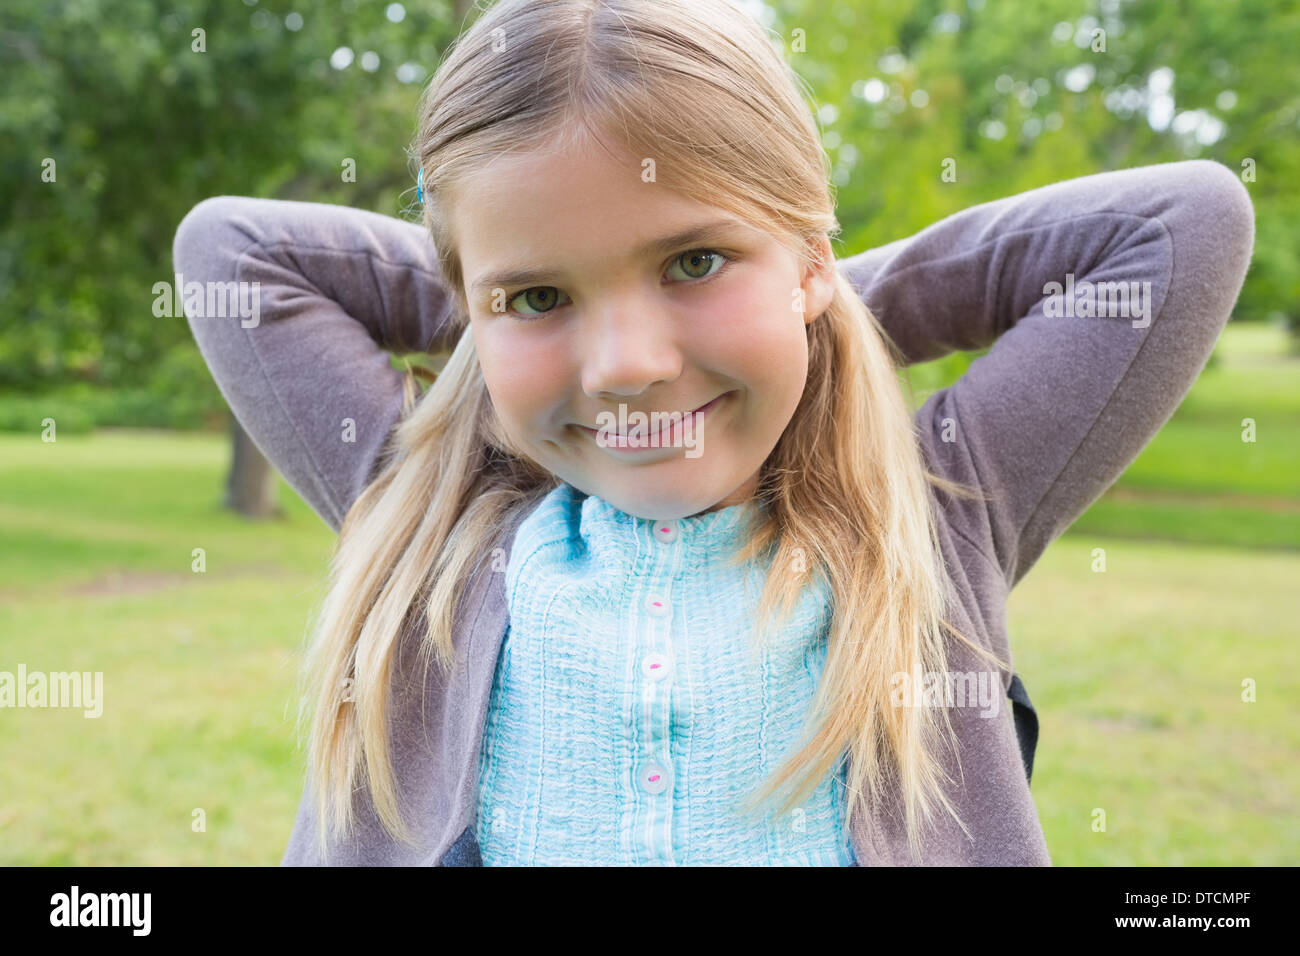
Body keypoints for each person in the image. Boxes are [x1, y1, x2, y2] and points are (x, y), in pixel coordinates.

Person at [172, 0, 1254, 865]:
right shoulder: (433, 514)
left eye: (694, 261)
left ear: (812, 257)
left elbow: (1179, 227)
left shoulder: (930, 514)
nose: (628, 363)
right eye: (536, 295)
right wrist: (505, 311)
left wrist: (807, 305)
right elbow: (233, 253)